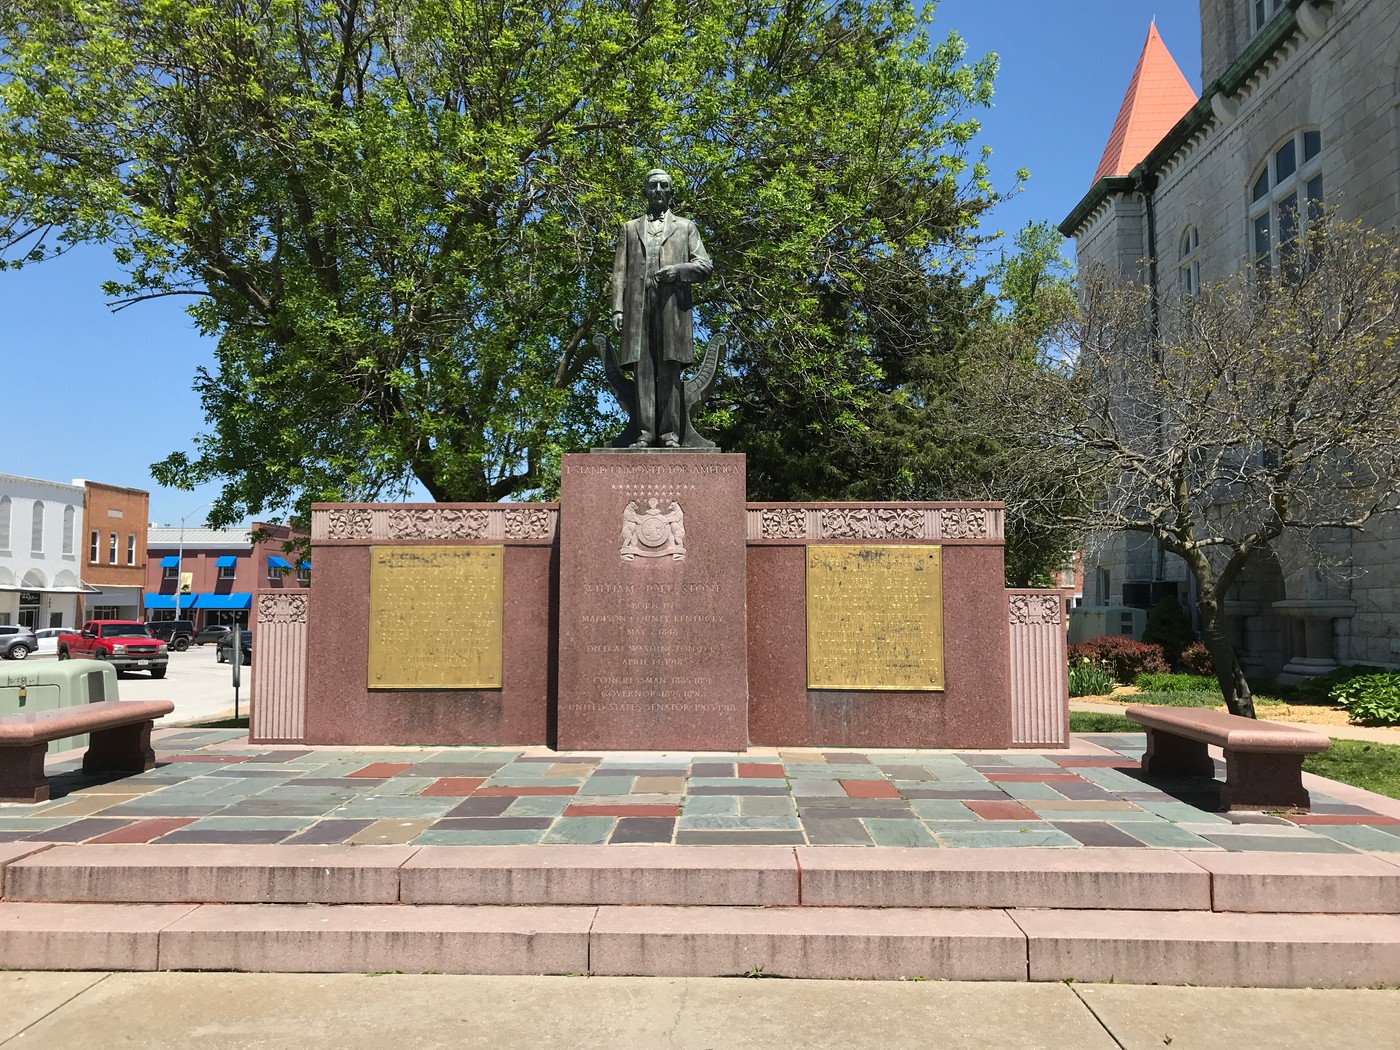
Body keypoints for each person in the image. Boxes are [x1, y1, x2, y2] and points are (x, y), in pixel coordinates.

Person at [611, 169, 713, 448]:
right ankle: (645, 434)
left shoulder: (686, 227)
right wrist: (617, 310)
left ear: (671, 192)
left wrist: (678, 271)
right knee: (643, 370)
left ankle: (669, 435)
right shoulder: (630, 228)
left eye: (663, 186)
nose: (658, 190)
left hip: (671, 310)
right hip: (637, 309)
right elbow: (619, 272)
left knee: (669, 368)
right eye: (653, 185)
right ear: (644, 191)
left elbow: (704, 266)